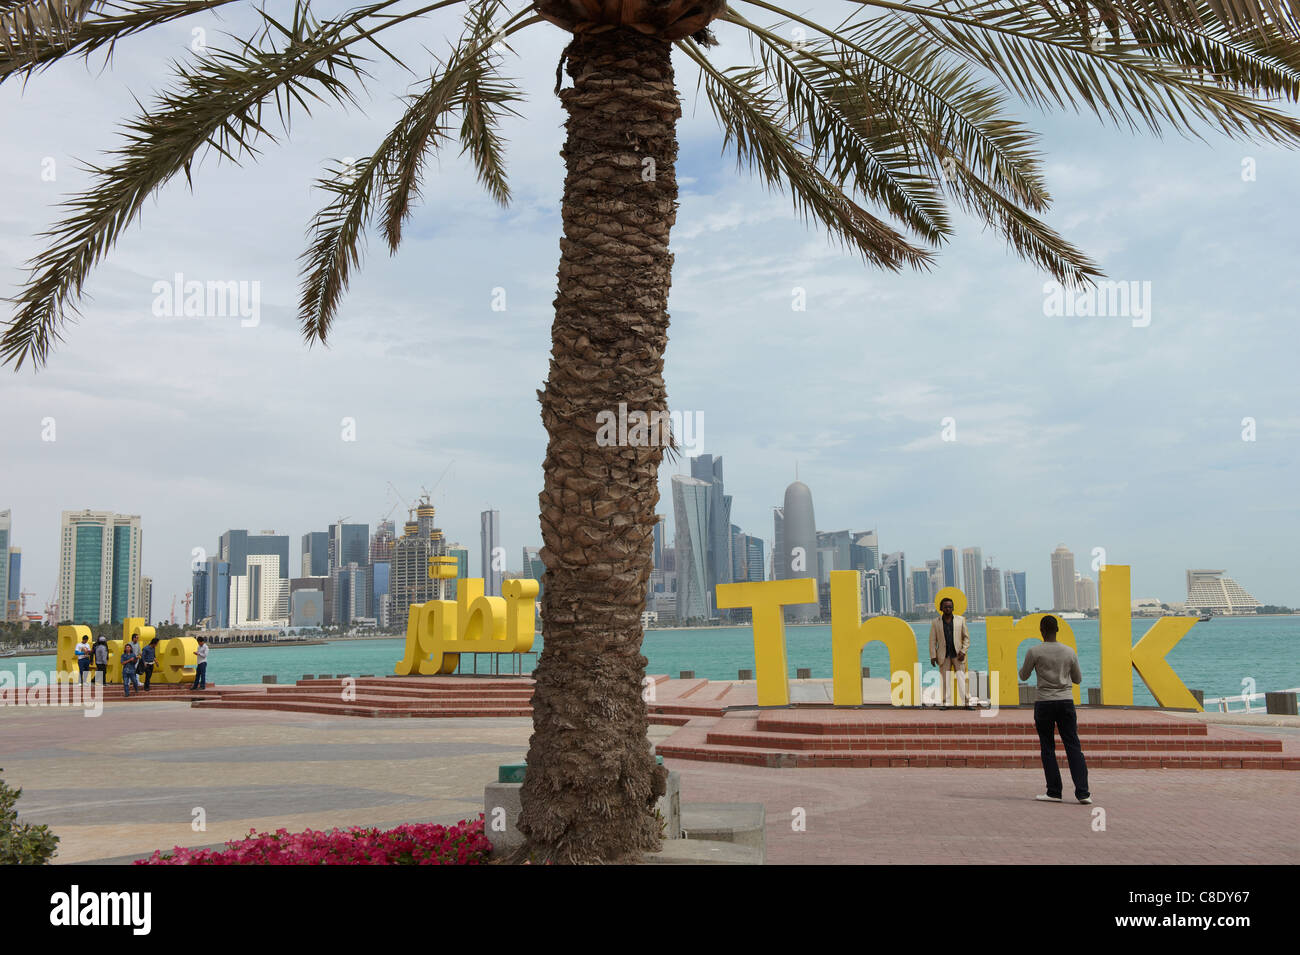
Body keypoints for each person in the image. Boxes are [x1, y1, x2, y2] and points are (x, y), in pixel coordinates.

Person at [1019, 614, 1091, 804]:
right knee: (1073, 746)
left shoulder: (1034, 651)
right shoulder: (1069, 651)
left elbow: (1024, 676)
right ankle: (1083, 793)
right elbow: (1077, 679)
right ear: (1057, 630)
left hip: (1044, 702)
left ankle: (1054, 791)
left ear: (1041, 631)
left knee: (1047, 747)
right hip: (1066, 701)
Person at [928, 597, 971, 708]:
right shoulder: (935, 622)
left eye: (950, 607)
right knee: (945, 681)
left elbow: (966, 638)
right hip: (944, 656)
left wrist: (963, 651)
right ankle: (946, 703)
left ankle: (967, 703)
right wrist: (933, 656)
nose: (948, 609)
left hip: (958, 656)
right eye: (945, 607)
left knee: (962, 680)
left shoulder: (960, 620)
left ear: (953, 608)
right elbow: (932, 640)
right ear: (941, 608)